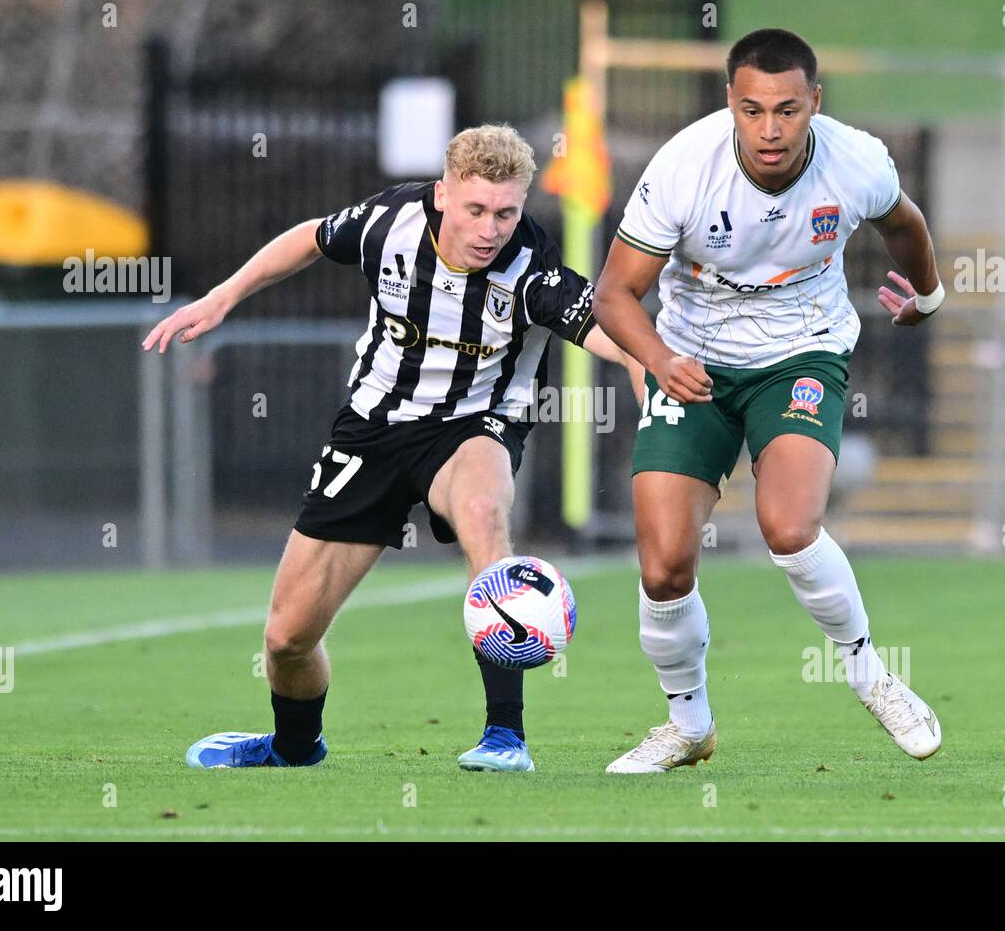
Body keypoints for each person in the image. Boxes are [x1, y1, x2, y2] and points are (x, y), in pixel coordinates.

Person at [143, 124, 640, 773]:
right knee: (286, 639)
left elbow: (603, 326)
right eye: (476, 210)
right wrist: (224, 294)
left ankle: (504, 737)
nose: (492, 228)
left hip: (473, 426)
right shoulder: (392, 221)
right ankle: (293, 747)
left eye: (507, 212)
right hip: (372, 431)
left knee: (485, 521)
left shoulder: (531, 267)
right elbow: (310, 238)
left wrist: (645, 362)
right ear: (443, 196)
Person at [592, 28, 944, 772]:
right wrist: (657, 356)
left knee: (788, 525)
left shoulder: (855, 162)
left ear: (815, 102)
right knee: (663, 570)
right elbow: (614, 294)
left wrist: (930, 294)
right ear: (731, 104)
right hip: (693, 363)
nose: (770, 130)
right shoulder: (685, 167)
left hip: (802, 353)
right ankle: (688, 726)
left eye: (788, 110)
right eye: (752, 110)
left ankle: (869, 675)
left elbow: (904, 224)